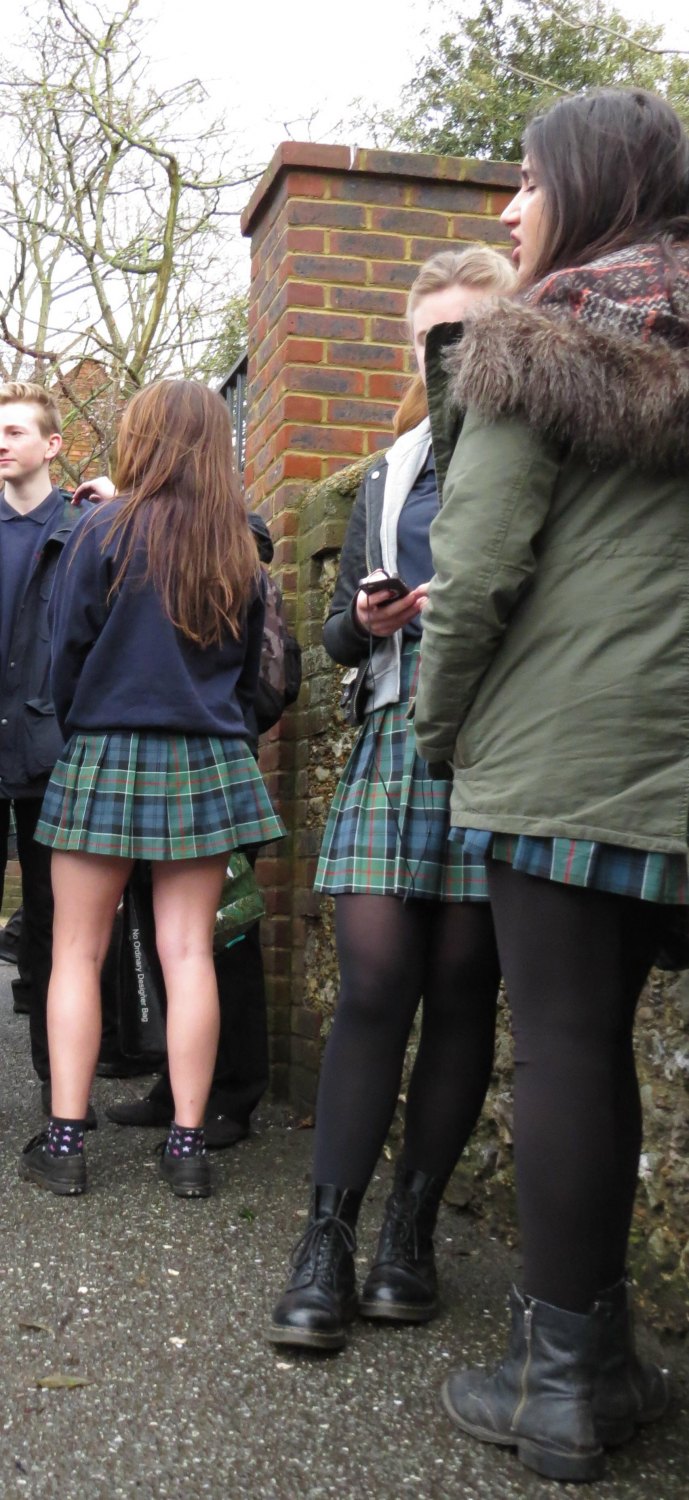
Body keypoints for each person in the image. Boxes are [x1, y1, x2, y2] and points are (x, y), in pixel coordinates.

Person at [414, 87, 686, 1483]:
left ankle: (560, 1387)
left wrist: (436, 732)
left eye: (522, 181)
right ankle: (615, 1361)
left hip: (568, 750)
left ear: (582, 187)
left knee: (570, 1046)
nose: (507, 209)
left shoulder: (534, 340)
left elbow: (471, 581)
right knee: (612, 1045)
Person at [269, 246, 515, 1352]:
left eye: (462, 331)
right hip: (390, 731)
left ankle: (406, 1237)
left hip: (497, 736)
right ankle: (325, 1234)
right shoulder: (392, 463)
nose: (444, 354)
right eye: (428, 338)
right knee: (374, 978)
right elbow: (327, 635)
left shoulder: (537, 444)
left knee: (464, 984)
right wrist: (361, 622)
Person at [19, 379, 283, 1200]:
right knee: (189, 953)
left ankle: (64, 1142)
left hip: (105, 748)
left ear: (140, 442)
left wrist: (85, 723)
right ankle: (188, 1145)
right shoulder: (236, 546)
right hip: (206, 758)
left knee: (75, 950)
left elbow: (64, 654)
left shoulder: (98, 530)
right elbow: (253, 674)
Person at [0, 382, 95, 1120]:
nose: (2, 443)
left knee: (49, 924)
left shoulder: (90, 525)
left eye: (15, 430)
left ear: (52, 445)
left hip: (49, 750)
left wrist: (120, 501)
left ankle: (54, 1088)